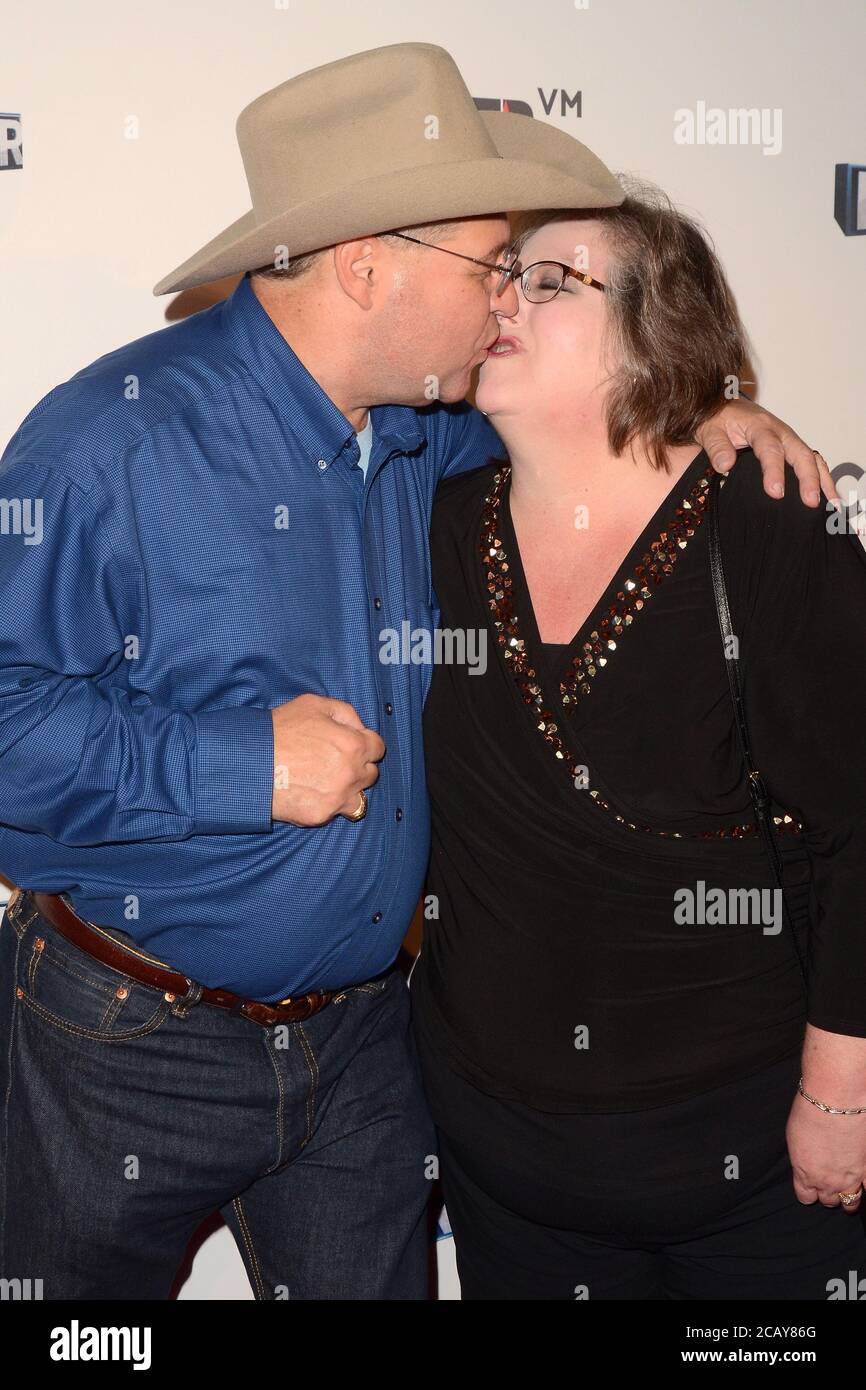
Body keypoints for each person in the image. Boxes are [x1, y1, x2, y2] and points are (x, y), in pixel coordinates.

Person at [0, 43, 830, 1301]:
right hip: (130, 1045)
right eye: (491, 263)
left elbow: (608, 421)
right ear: (367, 265)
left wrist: (712, 402)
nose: (505, 298)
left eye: (524, 274)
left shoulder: (430, 429)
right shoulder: (108, 444)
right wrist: (242, 762)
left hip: (366, 1058)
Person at [409, 182, 866, 1300]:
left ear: (653, 334)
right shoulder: (434, 513)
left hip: (754, 1161)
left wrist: (839, 1089)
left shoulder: (757, 515)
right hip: (506, 1167)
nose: (506, 295)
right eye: (505, 273)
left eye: (553, 280)